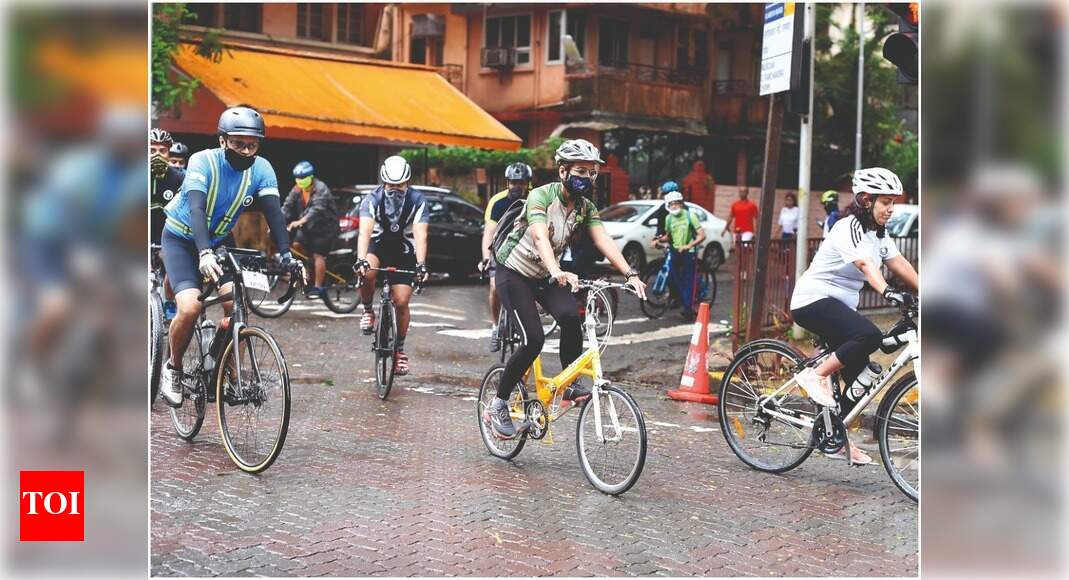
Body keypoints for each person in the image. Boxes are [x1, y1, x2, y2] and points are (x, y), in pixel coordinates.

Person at [482, 139, 647, 439]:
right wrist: (557, 270)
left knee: (572, 317)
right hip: (514, 273)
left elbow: (604, 240)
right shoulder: (541, 197)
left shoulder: (585, 208)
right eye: (581, 171)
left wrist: (631, 274)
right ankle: (498, 404)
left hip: (545, 275)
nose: (588, 178)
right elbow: (540, 235)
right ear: (563, 170)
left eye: (593, 173)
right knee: (533, 340)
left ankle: (569, 383)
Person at [158, 106, 299, 408]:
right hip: (182, 237)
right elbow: (196, 209)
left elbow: (274, 215)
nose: (246, 150)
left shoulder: (262, 169)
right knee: (190, 307)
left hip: (221, 240)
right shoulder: (202, 161)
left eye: (252, 144)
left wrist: (288, 256)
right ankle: (173, 368)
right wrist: (204, 253)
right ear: (223, 141)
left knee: (236, 303)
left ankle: (230, 373)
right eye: (238, 143)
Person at [789, 167, 919, 464]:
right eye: (885, 201)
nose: (891, 208)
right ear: (865, 199)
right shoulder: (848, 227)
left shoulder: (878, 234)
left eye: (893, 202)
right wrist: (887, 291)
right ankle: (815, 375)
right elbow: (864, 264)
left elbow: (899, 263)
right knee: (869, 335)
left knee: (863, 380)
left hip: (840, 310)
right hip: (813, 300)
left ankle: (834, 437)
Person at [354, 155, 430, 376]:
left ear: (408, 182)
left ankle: (399, 350)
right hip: (377, 246)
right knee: (367, 272)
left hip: (404, 250)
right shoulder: (372, 199)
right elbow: (364, 231)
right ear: (383, 182)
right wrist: (361, 258)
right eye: (390, 184)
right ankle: (368, 310)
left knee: (402, 301)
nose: (395, 189)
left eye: (400, 185)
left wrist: (421, 264)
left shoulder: (417, 200)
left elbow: (421, 234)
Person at [480, 162, 533, 351]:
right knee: (495, 288)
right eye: (514, 182)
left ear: (528, 183)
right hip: (500, 249)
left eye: (522, 183)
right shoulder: (497, 201)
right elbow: (489, 232)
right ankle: (496, 326)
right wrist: (486, 257)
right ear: (507, 182)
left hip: (526, 251)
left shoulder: (535, 200)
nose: (517, 187)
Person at [282, 160, 340, 299]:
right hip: (308, 227)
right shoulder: (297, 189)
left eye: (303, 178)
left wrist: (300, 221)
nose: (300, 181)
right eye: (298, 178)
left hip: (325, 228)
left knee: (318, 256)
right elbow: (287, 205)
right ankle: (307, 270)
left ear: (311, 177)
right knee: (296, 245)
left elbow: (316, 210)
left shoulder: (321, 188)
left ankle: (318, 287)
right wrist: (276, 221)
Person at [651, 186, 706, 319]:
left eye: (677, 203)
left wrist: (688, 245)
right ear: (668, 205)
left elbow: (702, 235)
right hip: (675, 252)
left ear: (681, 204)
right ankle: (686, 300)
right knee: (674, 279)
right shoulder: (669, 219)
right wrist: (657, 240)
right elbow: (668, 236)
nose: (674, 206)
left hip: (689, 253)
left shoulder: (689, 216)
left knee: (688, 280)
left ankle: (688, 308)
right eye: (672, 204)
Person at [150, 129, 185, 245]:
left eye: (162, 151)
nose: (157, 155)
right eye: (152, 150)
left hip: (167, 242)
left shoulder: (179, 179)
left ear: (168, 153)